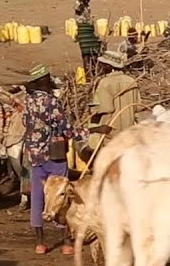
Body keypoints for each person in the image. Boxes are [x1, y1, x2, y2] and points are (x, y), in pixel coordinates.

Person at [16, 64, 109, 255]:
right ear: (44, 81)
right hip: (54, 154)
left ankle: (40, 243)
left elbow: (26, 123)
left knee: (39, 197)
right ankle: (67, 243)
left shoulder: (29, 101)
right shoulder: (51, 102)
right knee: (62, 196)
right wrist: (95, 130)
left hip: (34, 155)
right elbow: (68, 131)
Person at [89, 51, 140, 156]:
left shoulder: (105, 82)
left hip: (112, 130)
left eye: (103, 65)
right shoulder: (132, 81)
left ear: (109, 66)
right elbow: (138, 106)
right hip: (129, 129)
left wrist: (92, 110)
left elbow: (105, 108)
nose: (101, 67)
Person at [74, 0, 102, 77]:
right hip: (83, 32)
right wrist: (82, 3)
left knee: (94, 53)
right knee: (86, 54)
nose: (90, 0)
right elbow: (78, 13)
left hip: (89, 31)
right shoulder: (79, 5)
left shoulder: (86, 5)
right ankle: (88, 75)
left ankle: (93, 72)